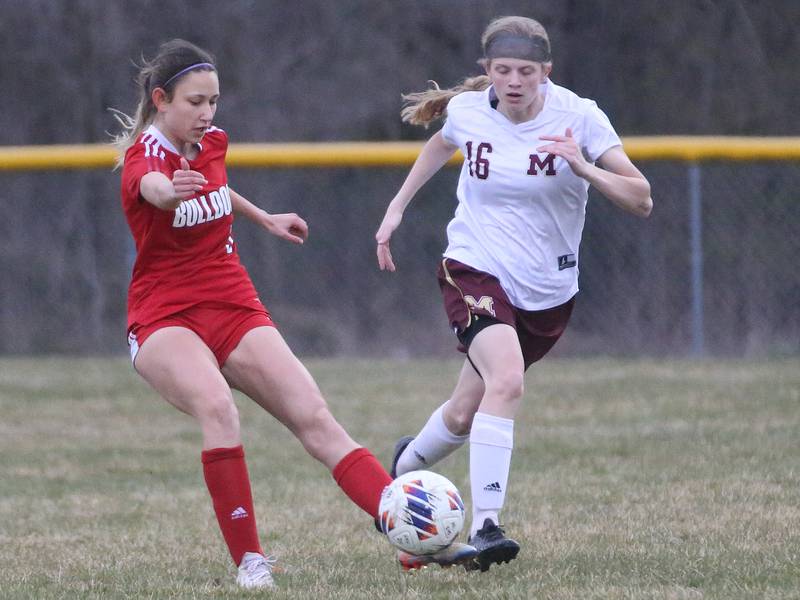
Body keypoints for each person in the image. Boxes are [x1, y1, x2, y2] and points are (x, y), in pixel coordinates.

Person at [112, 39, 476, 589]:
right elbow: (156, 191)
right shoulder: (146, 158)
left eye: (213, 100)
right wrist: (170, 192)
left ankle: (408, 533)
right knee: (219, 411)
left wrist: (264, 217)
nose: (207, 112)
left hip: (231, 300)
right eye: (194, 102)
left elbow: (218, 188)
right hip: (164, 314)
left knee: (316, 418)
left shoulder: (212, 142)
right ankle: (251, 563)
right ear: (161, 100)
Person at [376, 16, 653, 572]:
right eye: (502, 70)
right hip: (472, 266)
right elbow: (441, 142)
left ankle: (401, 469)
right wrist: (396, 208)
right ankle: (486, 527)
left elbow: (642, 198)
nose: (514, 80)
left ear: (546, 72)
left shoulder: (580, 117)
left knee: (463, 412)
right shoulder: (471, 110)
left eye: (526, 70)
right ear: (487, 72)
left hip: (548, 288)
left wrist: (583, 167)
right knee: (506, 379)